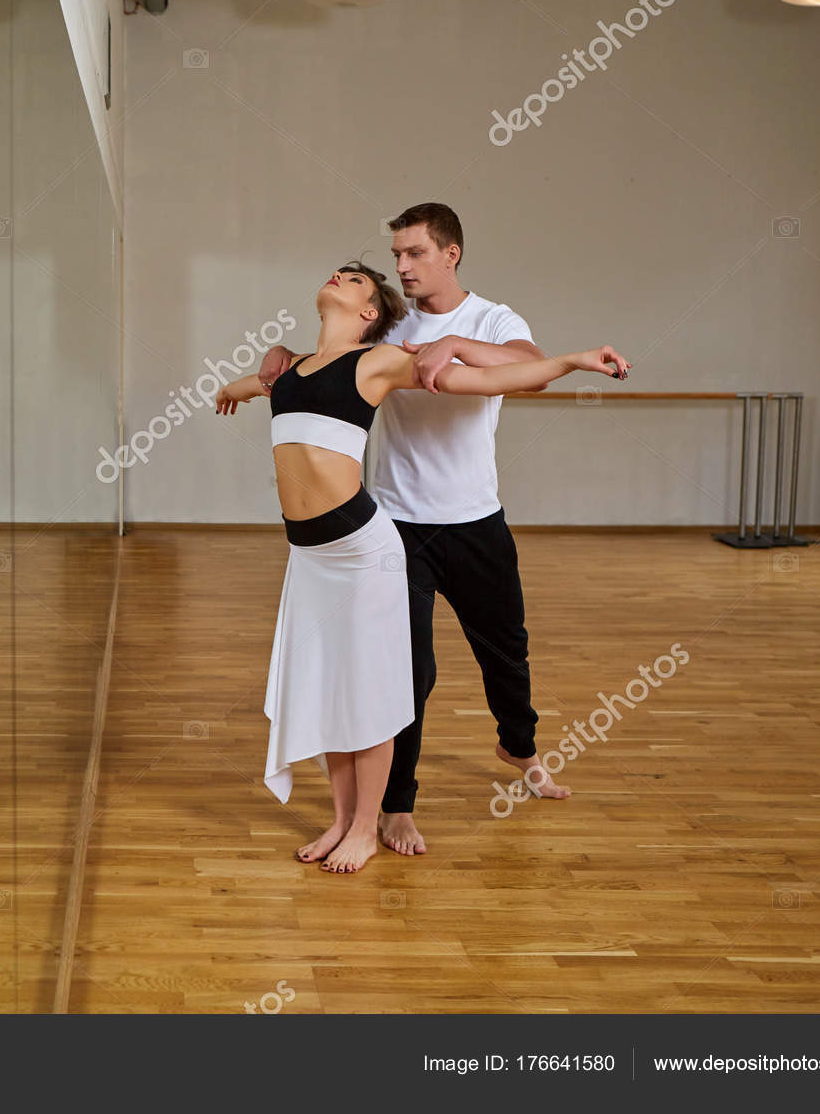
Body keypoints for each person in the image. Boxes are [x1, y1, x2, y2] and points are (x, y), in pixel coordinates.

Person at [219, 261, 628, 873]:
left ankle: (367, 824)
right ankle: (338, 819)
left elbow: (490, 382)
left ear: (367, 316)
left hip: (363, 550)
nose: (341, 276)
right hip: (308, 558)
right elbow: (249, 387)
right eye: (341, 272)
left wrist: (569, 361)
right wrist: (233, 387)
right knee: (329, 686)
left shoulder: (377, 362)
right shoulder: (294, 369)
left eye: (356, 281)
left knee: (373, 689)